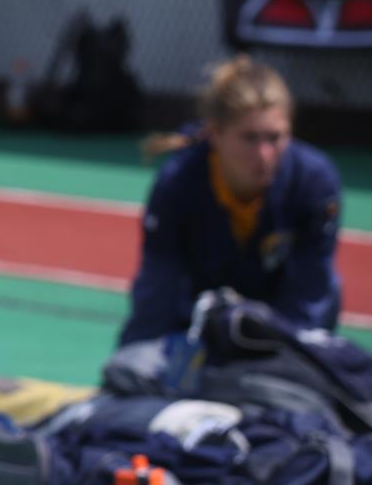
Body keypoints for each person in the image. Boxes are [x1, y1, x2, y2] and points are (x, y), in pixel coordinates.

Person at [118, 56, 342, 345]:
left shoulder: (314, 182)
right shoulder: (178, 182)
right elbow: (159, 288)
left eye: (275, 138)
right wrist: (135, 357)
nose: (264, 155)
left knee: (331, 290)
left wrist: (285, 356)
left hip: (277, 321)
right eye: (249, 138)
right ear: (215, 134)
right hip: (196, 322)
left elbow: (310, 292)